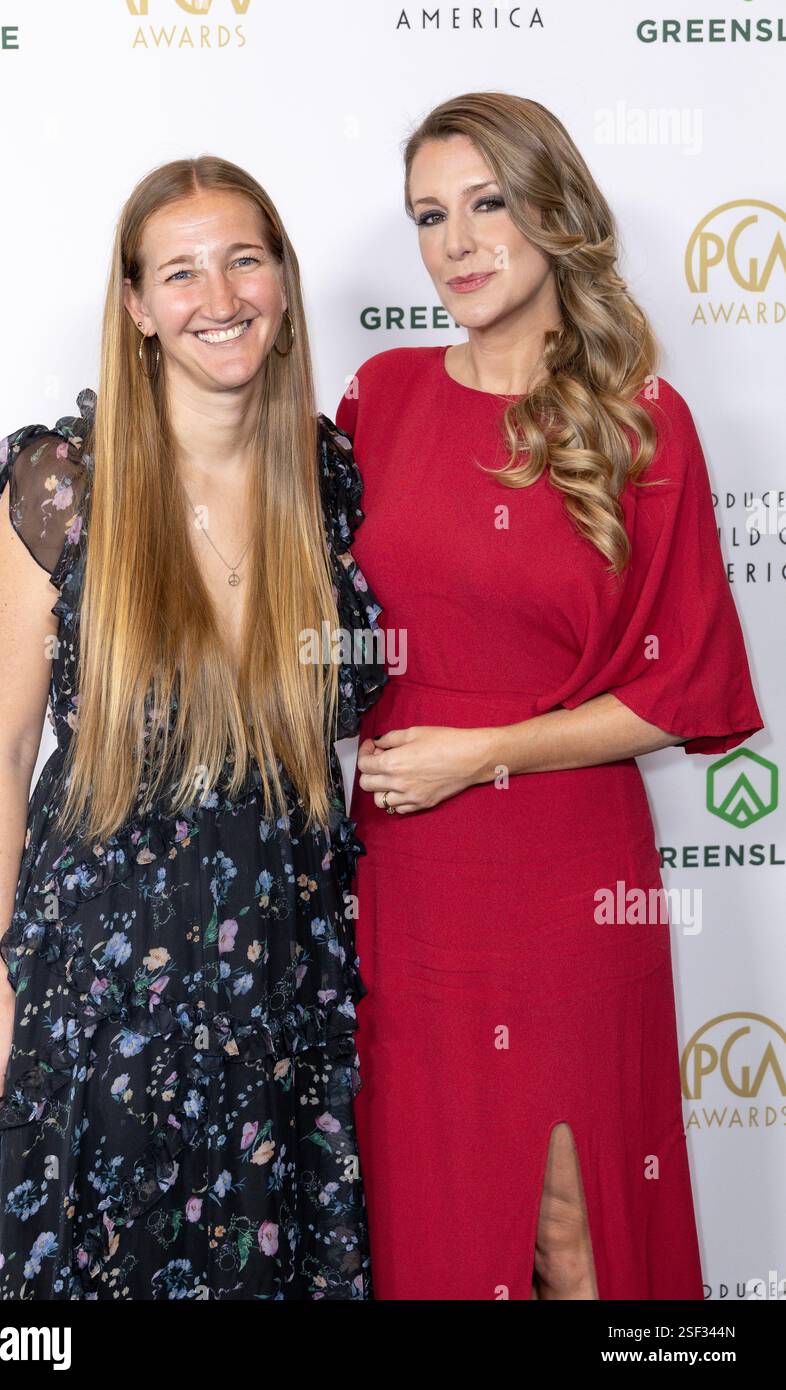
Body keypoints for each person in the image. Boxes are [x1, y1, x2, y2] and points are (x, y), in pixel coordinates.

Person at [334, 92, 764, 1301]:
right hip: (404, 877)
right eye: (428, 214)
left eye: (486, 203)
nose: (455, 243)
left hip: (563, 869)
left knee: (569, 1223)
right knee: (431, 1205)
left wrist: (478, 754)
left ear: (552, 212)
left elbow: (679, 689)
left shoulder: (639, 423)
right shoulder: (382, 395)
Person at [0, 155, 387, 1300]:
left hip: (282, 994)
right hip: (97, 1003)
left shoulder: (330, 479)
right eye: (181, 273)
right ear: (137, 308)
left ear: (283, 283)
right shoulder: (62, 485)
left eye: (245, 259)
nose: (220, 296)